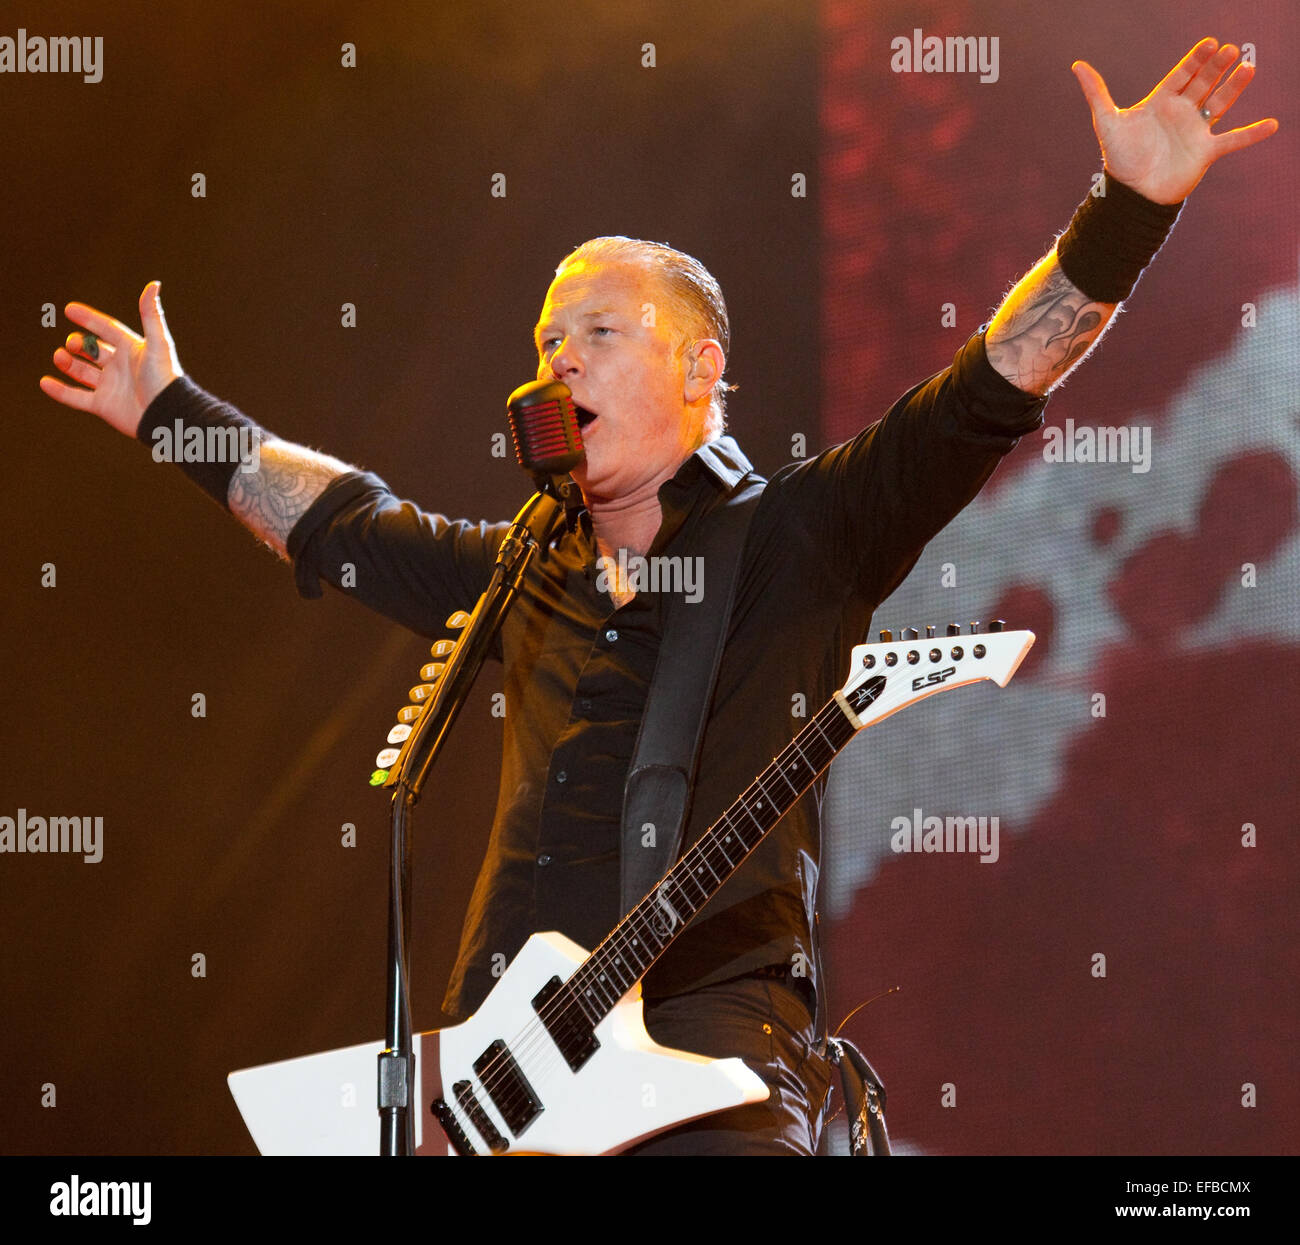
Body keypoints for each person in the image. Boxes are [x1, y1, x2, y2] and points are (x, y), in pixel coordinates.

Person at [40, 39, 1275, 1155]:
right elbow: (342, 527)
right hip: (497, 1075)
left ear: (699, 368)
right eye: (542, 340)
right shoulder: (522, 568)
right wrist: (171, 415)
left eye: (594, 331)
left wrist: (1127, 212)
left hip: (705, 1057)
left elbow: (986, 387)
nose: (556, 358)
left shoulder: (804, 534)